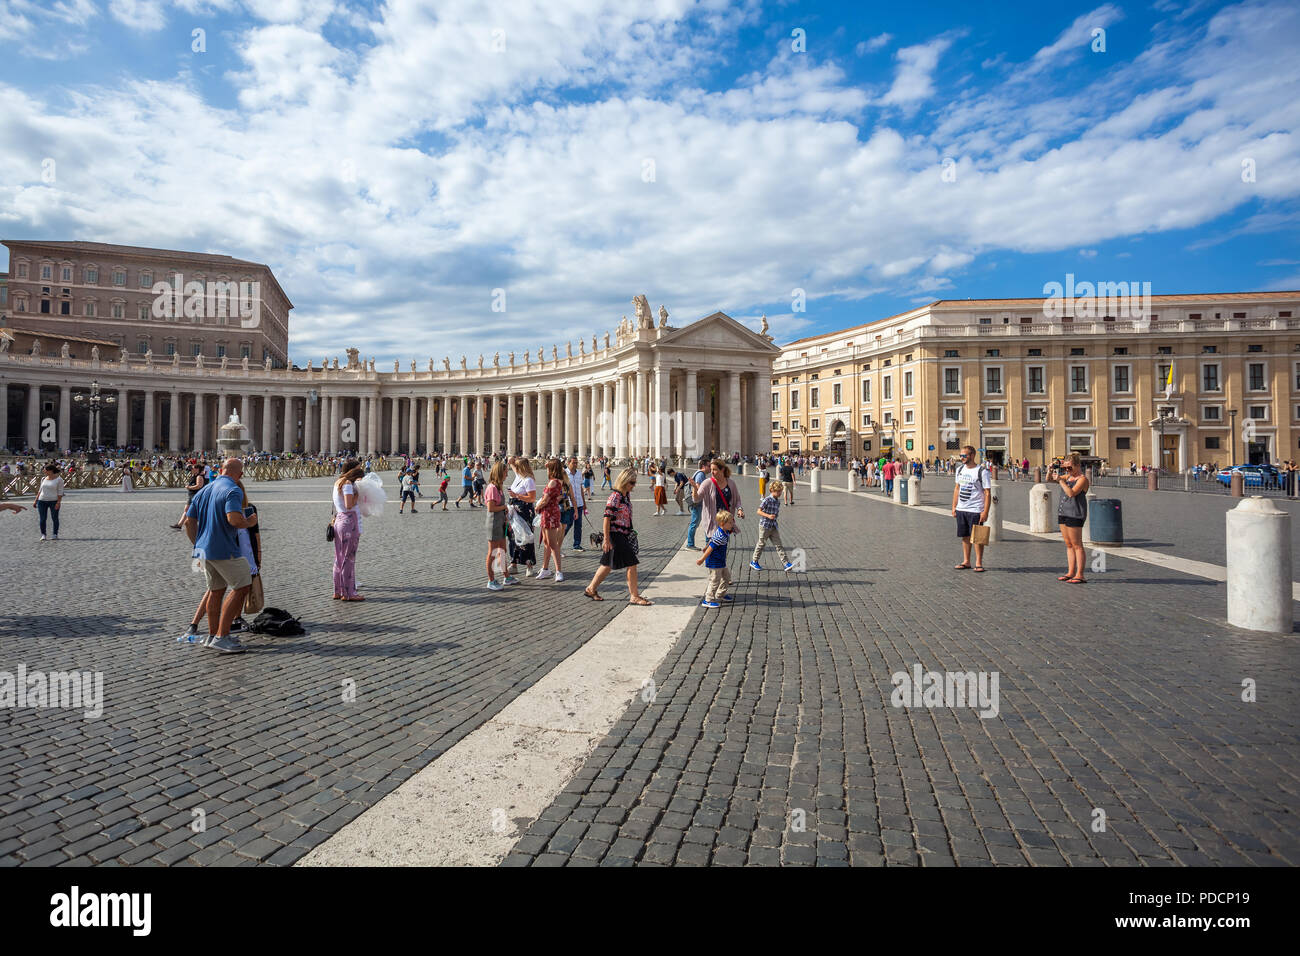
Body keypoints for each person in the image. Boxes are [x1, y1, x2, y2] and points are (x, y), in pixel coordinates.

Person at [183, 457, 258, 653]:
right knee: (242, 586)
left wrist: (198, 543)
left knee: (216, 590)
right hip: (225, 549)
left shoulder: (204, 490)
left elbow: (189, 522)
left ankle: (212, 635)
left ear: (220, 470)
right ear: (240, 474)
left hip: (204, 550)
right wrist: (250, 522)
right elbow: (234, 519)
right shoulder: (233, 490)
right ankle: (222, 636)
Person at [584, 467, 651, 605]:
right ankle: (634, 596)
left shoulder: (625, 496)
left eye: (634, 482)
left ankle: (591, 589)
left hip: (623, 534)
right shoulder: (615, 496)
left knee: (607, 564)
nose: (634, 485)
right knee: (632, 563)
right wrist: (607, 540)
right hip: (615, 535)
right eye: (632, 482)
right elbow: (607, 518)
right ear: (624, 481)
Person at [951, 445, 990, 572]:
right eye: (961, 455)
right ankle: (966, 561)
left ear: (972, 455)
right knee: (965, 536)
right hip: (962, 508)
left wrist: (985, 511)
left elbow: (987, 493)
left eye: (964, 455)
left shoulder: (982, 471)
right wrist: (954, 506)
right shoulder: (960, 470)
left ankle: (978, 562)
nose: (962, 458)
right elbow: (957, 488)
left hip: (976, 509)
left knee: (978, 537)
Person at [332, 460, 366, 601]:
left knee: (339, 558)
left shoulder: (337, 482)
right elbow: (349, 504)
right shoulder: (347, 484)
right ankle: (349, 593)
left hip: (339, 520)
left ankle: (338, 591)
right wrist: (357, 495)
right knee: (348, 558)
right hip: (349, 522)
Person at [1055, 452, 1090, 584]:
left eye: (1070, 467)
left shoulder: (1082, 479)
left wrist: (1061, 481)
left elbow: (1071, 493)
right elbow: (1049, 479)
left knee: (1077, 545)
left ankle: (1080, 574)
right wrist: (1050, 471)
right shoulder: (1067, 476)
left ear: (1077, 465)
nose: (1067, 470)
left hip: (1075, 513)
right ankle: (1070, 572)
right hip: (1063, 512)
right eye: (1065, 468)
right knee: (1069, 545)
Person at [484, 461, 518, 590]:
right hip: (493, 523)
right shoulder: (492, 488)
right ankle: (491, 580)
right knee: (492, 553)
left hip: (501, 522)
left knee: (502, 551)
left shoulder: (498, 487)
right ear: (499, 473)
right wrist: (505, 506)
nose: (507, 475)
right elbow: (491, 507)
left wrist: (506, 520)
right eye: (505, 472)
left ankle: (507, 577)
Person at [750, 479, 795, 572]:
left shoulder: (778, 501)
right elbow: (758, 511)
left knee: (779, 545)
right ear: (772, 490)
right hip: (764, 526)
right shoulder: (767, 500)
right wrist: (768, 516)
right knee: (761, 544)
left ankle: (786, 563)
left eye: (780, 491)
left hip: (773, 526)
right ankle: (754, 561)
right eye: (778, 491)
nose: (780, 493)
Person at [535, 458, 568, 582]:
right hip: (548, 513)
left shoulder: (553, 482)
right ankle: (545, 568)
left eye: (548, 468)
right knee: (546, 543)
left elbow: (545, 500)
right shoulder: (557, 481)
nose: (546, 470)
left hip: (549, 514)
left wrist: (537, 507)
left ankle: (559, 571)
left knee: (553, 544)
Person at [696, 458, 744, 541]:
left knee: (722, 550)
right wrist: (694, 488)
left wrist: (740, 510)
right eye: (711, 469)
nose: (712, 472)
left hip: (725, 523)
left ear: (722, 469)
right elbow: (696, 499)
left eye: (714, 469)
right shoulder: (707, 483)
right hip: (712, 522)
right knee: (711, 549)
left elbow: (737, 499)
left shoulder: (731, 483)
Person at [698, 509, 736, 607]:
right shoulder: (720, 535)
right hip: (715, 562)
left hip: (721, 561)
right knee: (715, 580)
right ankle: (708, 599)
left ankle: (721, 594)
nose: (732, 524)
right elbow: (711, 548)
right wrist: (702, 559)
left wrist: (705, 546)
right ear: (723, 524)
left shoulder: (724, 531)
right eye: (730, 522)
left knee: (726, 577)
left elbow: (711, 540)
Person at [507, 458, 538, 577]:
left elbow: (532, 498)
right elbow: (513, 467)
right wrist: (511, 461)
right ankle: (514, 563)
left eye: (518, 467)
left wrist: (517, 496)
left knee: (526, 538)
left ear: (523, 468)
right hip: (514, 512)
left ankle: (529, 565)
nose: (516, 469)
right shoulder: (518, 476)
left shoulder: (529, 480)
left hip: (525, 512)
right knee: (513, 537)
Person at [684, 455, 711, 549]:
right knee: (694, 523)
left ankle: (708, 542)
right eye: (709, 465)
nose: (710, 467)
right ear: (703, 466)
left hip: (698, 502)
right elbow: (699, 488)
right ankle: (690, 544)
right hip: (696, 503)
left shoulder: (700, 474)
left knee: (703, 521)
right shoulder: (700, 475)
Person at [35, 464, 66, 541]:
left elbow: (60, 492)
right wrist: (36, 500)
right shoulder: (43, 479)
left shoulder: (59, 480)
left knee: (54, 518)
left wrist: (58, 502)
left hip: (54, 501)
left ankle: (55, 534)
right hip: (42, 500)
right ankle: (43, 534)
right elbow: (40, 490)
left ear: (50, 470)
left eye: (45, 469)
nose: (43, 471)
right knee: (42, 519)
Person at [171, 462, 206, 530]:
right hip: (191, 495)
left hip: (196, 496)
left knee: (197, 511)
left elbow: (199, 486)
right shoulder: (194, 475)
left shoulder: (199, 476)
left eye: (193, 468)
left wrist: (189, 487)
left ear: (197, 469)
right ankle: (179, 524)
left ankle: (202, 525)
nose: (192, 469)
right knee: (186, 509)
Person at [567, 457, 587, 552]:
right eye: (573, 463)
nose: (575, 464)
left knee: (578, 525)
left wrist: (584, 503)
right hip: (569, 504)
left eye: (576, 463)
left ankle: (577, 544)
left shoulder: (579, 473)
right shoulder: (564, 474)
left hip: (579, 503)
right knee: (567, 525)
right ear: (568, 463)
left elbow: (580, 489)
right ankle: (557, 544)